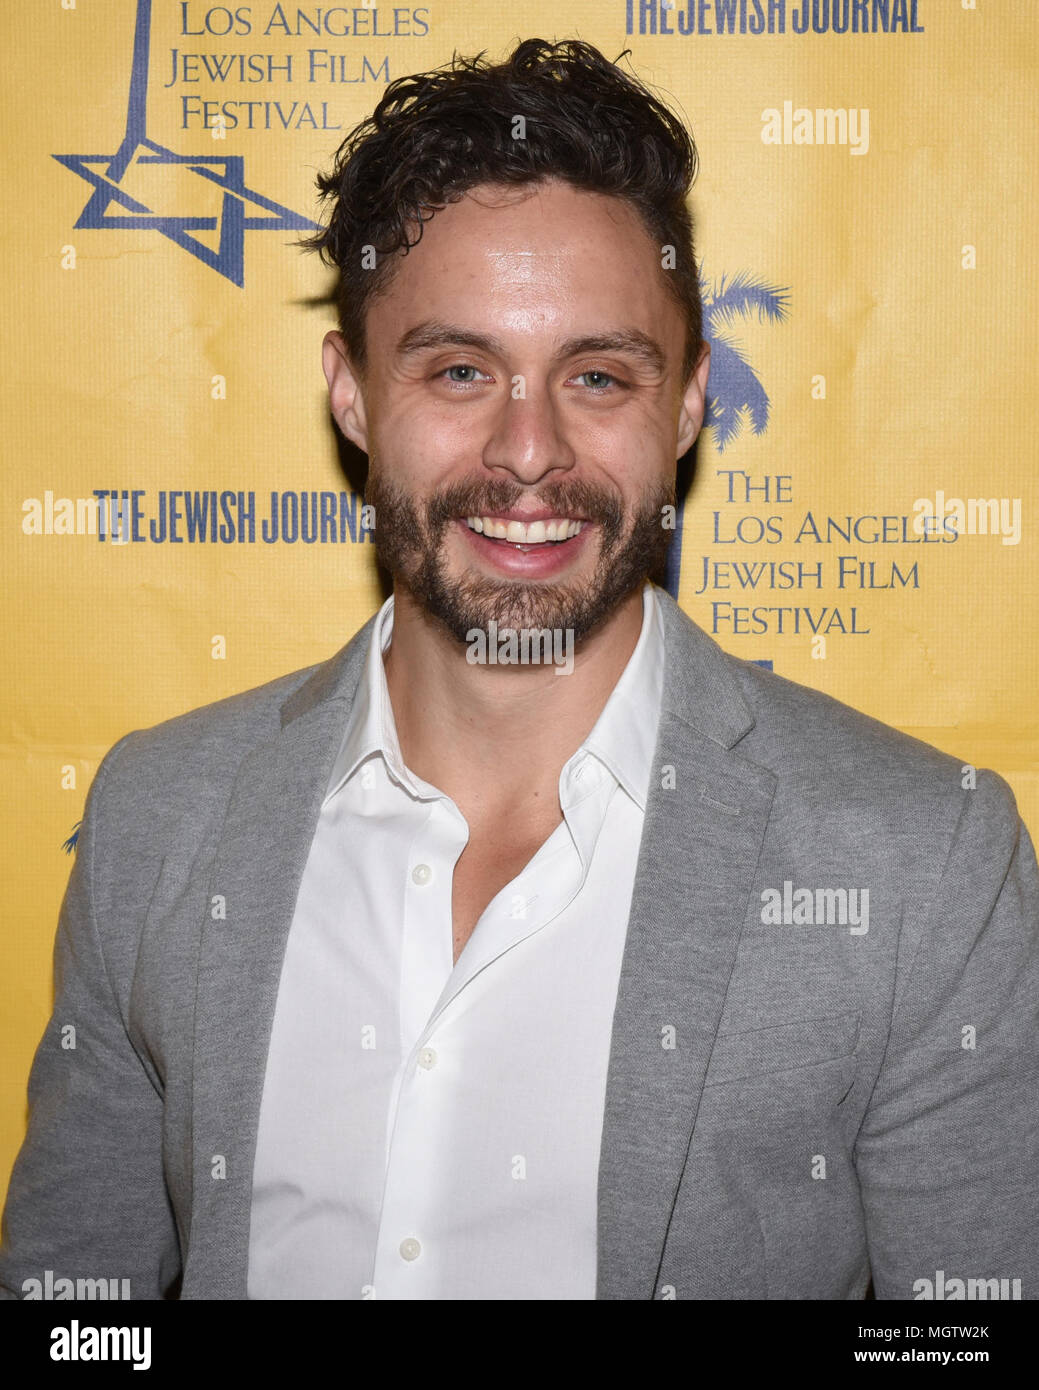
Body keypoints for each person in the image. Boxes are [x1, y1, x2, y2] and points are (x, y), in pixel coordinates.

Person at [2, 37, 1036, 1302]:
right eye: (458, 370)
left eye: (596, 375)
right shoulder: (160, 817)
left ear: (691, 403)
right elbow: (73, 1322)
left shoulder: (918, 860)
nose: (530, 451)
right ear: (352, 396)